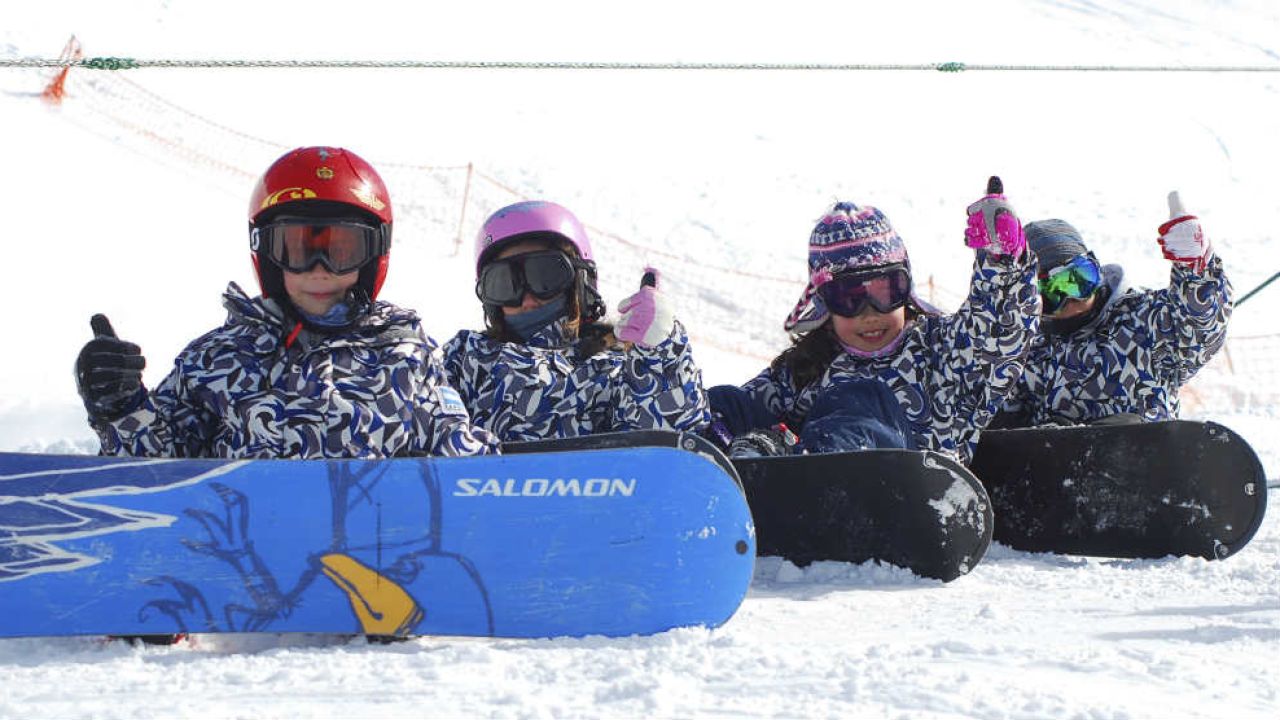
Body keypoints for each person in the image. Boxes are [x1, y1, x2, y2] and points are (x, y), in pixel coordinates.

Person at [75, 146, 498, 460]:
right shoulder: (218, 359)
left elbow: (455, 453)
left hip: (373, 566)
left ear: (374, 256)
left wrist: (519, 483)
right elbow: (157, 470)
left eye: (343, 249)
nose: (320, 269)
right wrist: (121, 406)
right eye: (297, 249)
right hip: (252, 568)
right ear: (267, 255)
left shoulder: (405, 354)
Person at [708, 183, 1039, 464]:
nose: (869, 313)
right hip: (800, 503)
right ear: (825, 303)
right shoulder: (805, 368)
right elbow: (743, 409)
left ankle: (807, 468)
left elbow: (996, 335)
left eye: (885, 291)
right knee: (725, 404)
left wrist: (1002, 262)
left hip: (912, 505)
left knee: (860, 398)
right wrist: (661, 354)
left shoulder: (943, 351)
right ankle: (703, 471)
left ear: (906, 290)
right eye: (848, 298)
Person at [441, 200, 710, 442]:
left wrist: (661, 359)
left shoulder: (617, 369)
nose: (527, 299)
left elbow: (667, 448)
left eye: (544, 276)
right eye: (504, 284)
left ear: (579, 283)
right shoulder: (465, 361)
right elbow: (424, 430)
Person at [995, 192, 1233, 427]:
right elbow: (998, 411)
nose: (1069, 299)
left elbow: (1197, 328)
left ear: (1096, 271)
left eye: (1079, 280)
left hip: (1142, 457)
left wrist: (1197, 271)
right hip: (1055, 460)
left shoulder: (1141, 321)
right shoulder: (1026, 349)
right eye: (1050, 293)